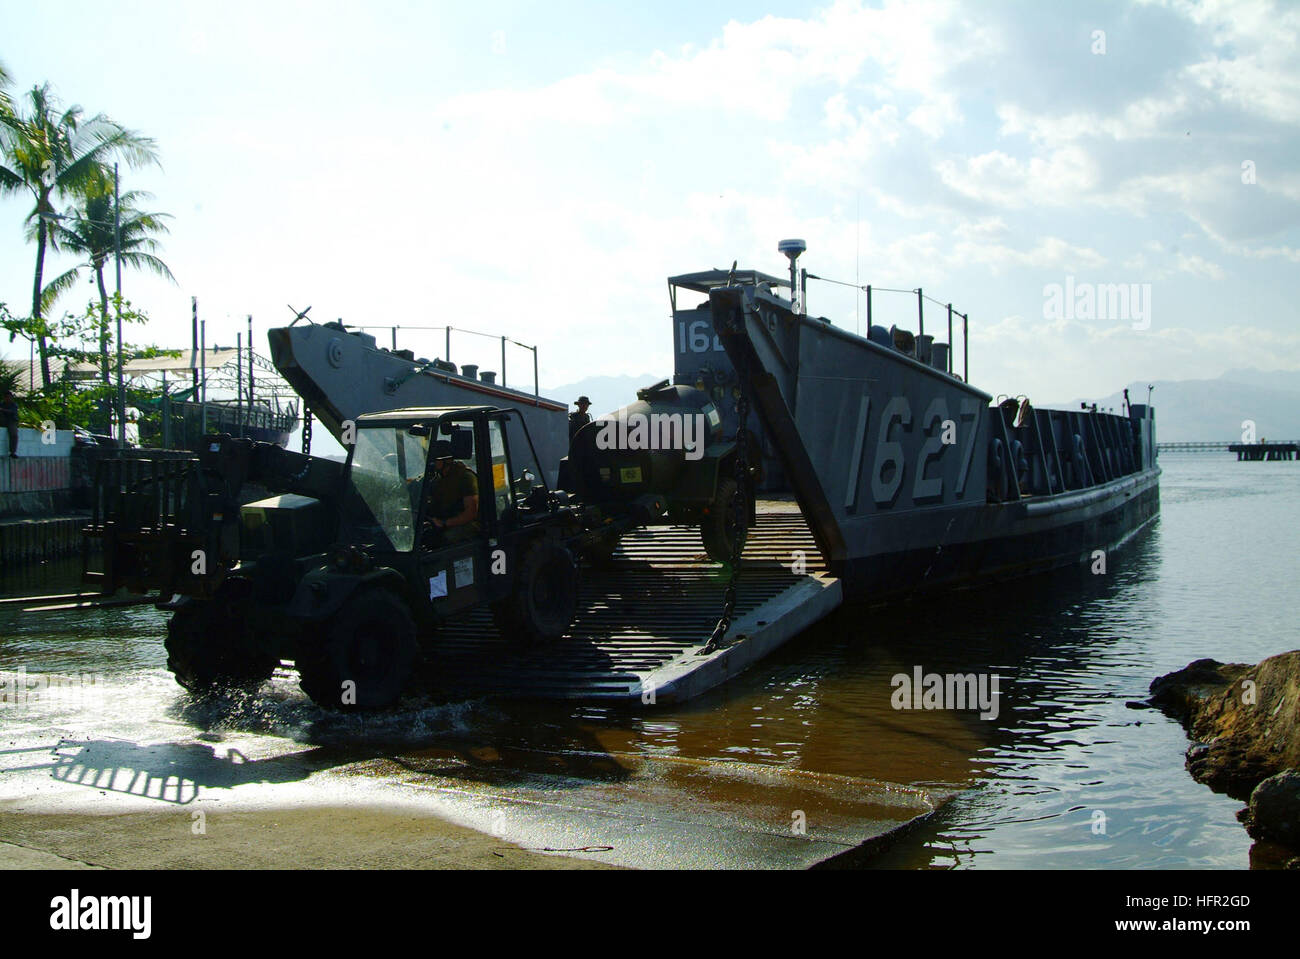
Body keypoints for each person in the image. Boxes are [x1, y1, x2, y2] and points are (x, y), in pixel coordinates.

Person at [424, 440, 479, 544]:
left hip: (466, 525)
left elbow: (471, 513)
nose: (431, 463)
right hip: (442, 521)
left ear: (447, 460)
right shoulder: (437, 480)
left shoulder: (465, 477)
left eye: (435, 460)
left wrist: (445, 523)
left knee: (443, 540)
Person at [0, 391, 18, 458]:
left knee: (13, 434)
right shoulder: (2, 404)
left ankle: (12, 452)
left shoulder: (14, 405)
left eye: (9, 397)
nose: (8, 399)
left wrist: (2, 410)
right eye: (7, 397)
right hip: (3, 420)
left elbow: (12, 412)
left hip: (11, 421)